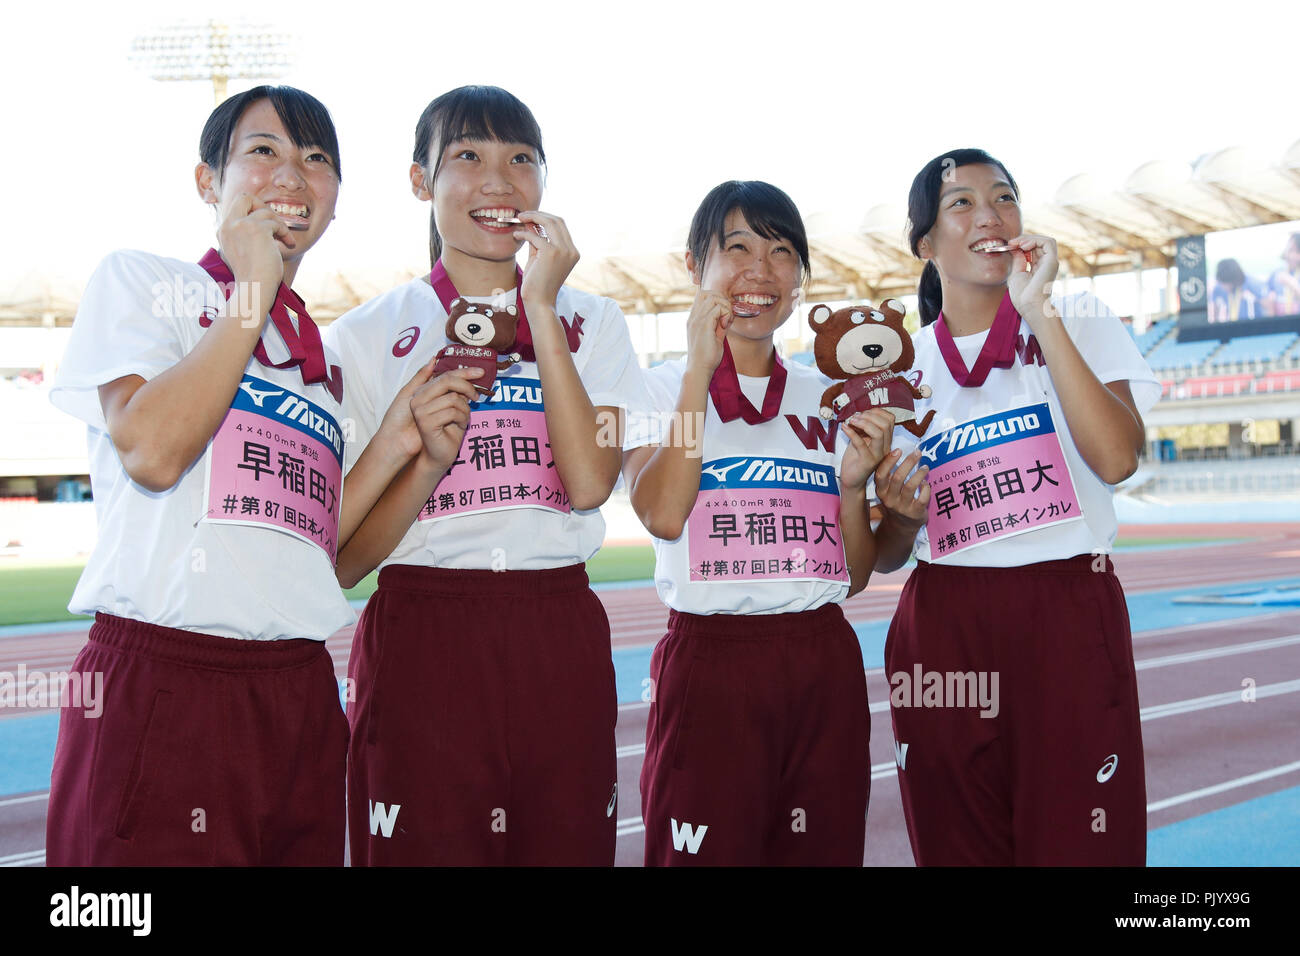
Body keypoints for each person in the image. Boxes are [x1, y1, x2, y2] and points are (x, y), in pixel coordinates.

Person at [45, 86, 414, 865]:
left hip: (299, 694)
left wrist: (400, 445)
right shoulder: (145, 284)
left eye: (317, 160)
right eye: (263, 151)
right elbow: (152, 452)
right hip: (166, 680)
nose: (293, 174)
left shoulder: (326, 362)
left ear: (335, 200)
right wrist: (250, 292)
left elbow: (324, 554)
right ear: (208, 182)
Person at [325, 85, 649, 866]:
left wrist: (541, 307)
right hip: (422, 630)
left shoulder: (594, 321)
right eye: (467, 155)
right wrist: (421, 459)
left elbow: (588, 484)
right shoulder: (364, 336)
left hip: (556, 625)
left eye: (521, 159)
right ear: (419, 180)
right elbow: (344, 558)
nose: (498, 180)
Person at [871, 148, 1160, 865]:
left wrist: (1041, 312)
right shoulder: (898, 371)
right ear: (925, 244)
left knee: (1080, 840)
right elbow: (884, 553)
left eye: (1004, 197)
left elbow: (1118, 459)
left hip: (1065, 609)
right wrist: (902, 515)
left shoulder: (1080, 317)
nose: (991, 214)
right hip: (943, 620)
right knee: (956, 841)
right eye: (961, 203)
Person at [621, 181, 886, 866]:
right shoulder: (653, 387)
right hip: (711, 665)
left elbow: (852, 577)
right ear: (693, 266)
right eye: (736, 247)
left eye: (781, 252)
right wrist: (697, 375)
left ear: (800, 278)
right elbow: (663, 513)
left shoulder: (829, 398)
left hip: (821, 660)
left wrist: (853, 488)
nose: (759, 271)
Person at [1266, 233, 1300, 317]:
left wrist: (1294, 286)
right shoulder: (1276, 273)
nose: (1292, 256)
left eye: (1297, 251)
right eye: (1290, 250)